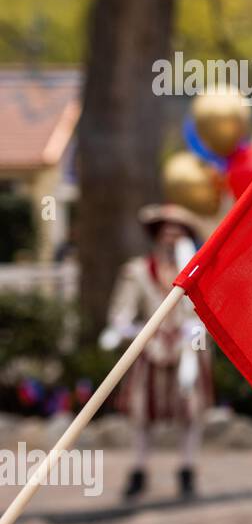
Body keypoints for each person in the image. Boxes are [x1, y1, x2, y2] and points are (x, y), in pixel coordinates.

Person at [101, 205, 211, 500]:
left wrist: (191, 335)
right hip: (149, 350)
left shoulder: (198, 273)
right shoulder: (137, 272)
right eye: (166, 230)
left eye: (179, 231)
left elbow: (205, 315)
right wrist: (134, 333)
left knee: (190, 412)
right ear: (157, 235)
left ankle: (187, 470)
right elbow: (121, 313)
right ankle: (138, 470)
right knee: (142, 414)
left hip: (187, 351)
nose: (171, 237)